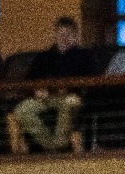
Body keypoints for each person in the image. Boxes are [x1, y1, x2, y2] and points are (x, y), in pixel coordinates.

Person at [9, 17, 99, 153]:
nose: (64, 38)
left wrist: (73, 89)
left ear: (75, 36)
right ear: (55, 35)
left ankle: (59, 144)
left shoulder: (86, 56)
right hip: (45, 98)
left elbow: (93, 80)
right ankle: (52, 146)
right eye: (61, 34)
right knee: (21, 110)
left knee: (70, 102)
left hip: (72, 96)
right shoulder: (43, 57)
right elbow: (29, 81)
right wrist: (37, 90)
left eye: (68, 34)